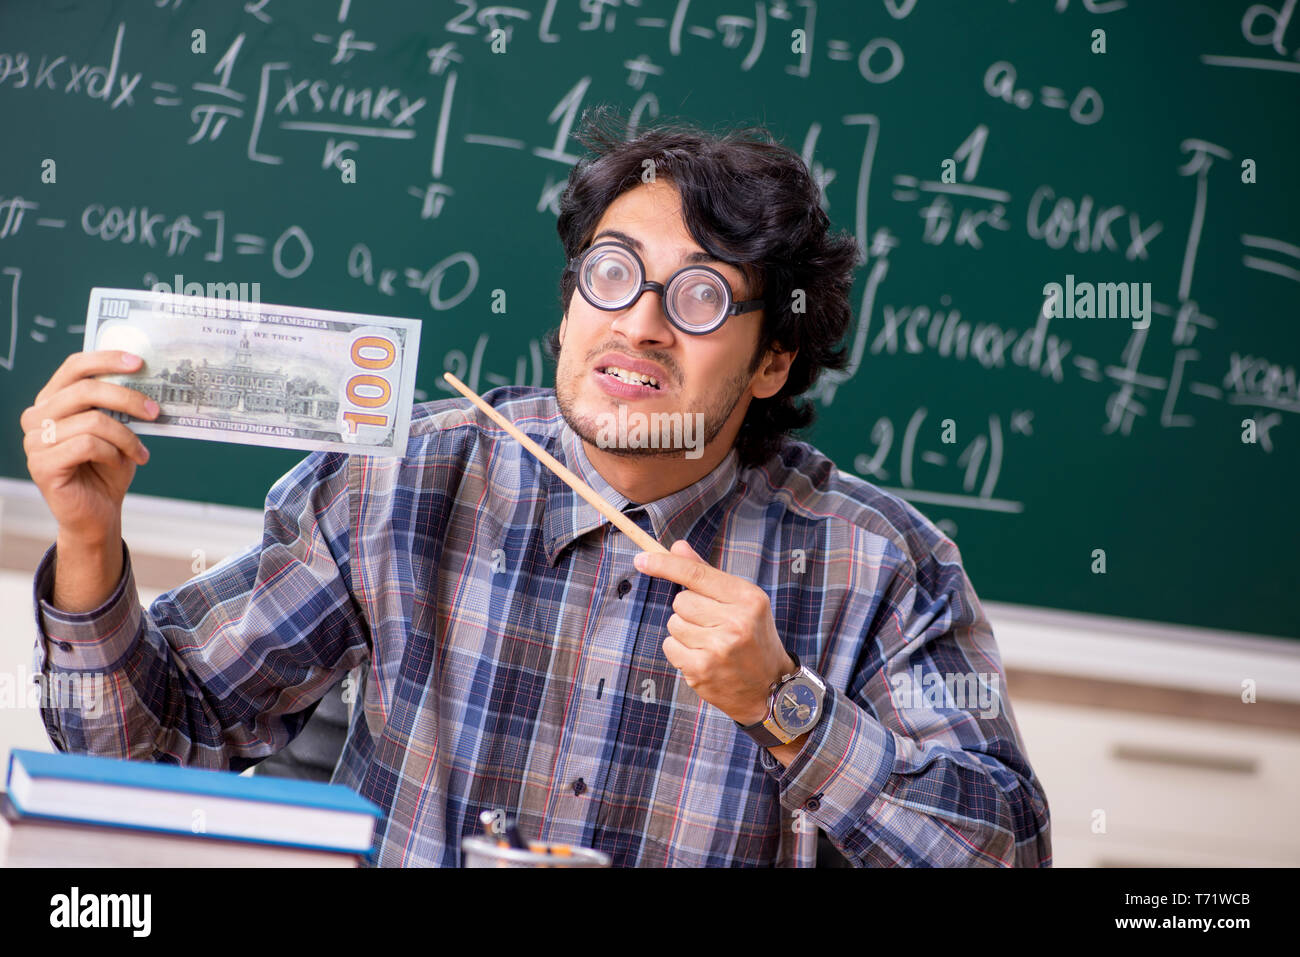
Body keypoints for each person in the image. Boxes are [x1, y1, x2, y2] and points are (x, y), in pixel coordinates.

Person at [20, 109, 1051, 867]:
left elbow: (1003, 855)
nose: (640, 324)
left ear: (773, 360)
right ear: (569, 309)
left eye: (698, 296)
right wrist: (88, 540)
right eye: (612, 274)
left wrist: (785, 708)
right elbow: (153, 744)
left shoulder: (880, 565)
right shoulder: (404, 477)